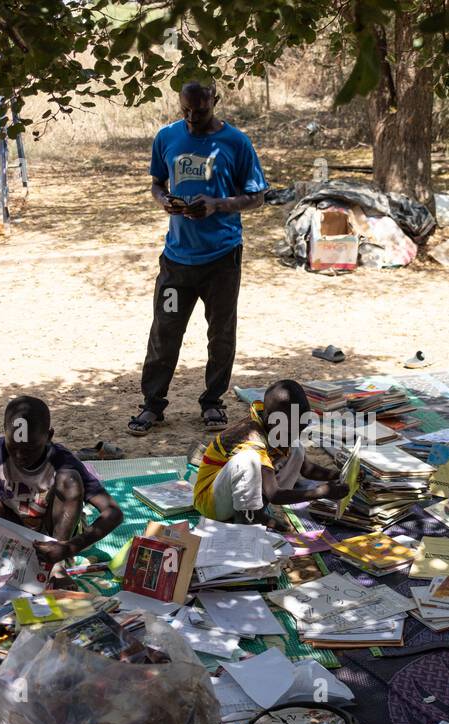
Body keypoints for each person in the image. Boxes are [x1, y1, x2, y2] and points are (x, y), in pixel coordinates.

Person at [129, 80, 267, 437]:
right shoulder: (166, 137)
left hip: (222, 258)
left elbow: (257, 196)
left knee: (220, 334)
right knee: (165, 331)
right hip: (177, 260)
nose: (192, 117)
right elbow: (158, 184)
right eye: (185, 110)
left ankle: (212, 402)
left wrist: (218, 205)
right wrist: (165, 201)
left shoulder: (236, 142)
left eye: (200, 110)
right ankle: (152, 405)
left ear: (215, 101)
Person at [0, 396, 123, 565]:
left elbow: (113, 513)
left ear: (49, 436)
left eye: (30, 449)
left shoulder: (62, 460)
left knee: (70, 480)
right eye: (13, 447)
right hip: (8, 525)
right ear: (4, 433)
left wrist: (69, 547)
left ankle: (54, 564)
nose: (19, 456)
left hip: (49, 534)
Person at [193, 380, 348, 528]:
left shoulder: (277, 427)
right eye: (289, 432)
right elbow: (274, 494)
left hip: (232, 495)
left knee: (297, 447)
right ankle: (250, 517)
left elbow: (307, 469)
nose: (293, 436)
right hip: (212, 503)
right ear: (269, 419)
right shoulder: (252, 442)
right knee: (249, 460)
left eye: (299, 430)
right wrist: (319, 492)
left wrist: (341, 474)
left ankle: (256, 510)